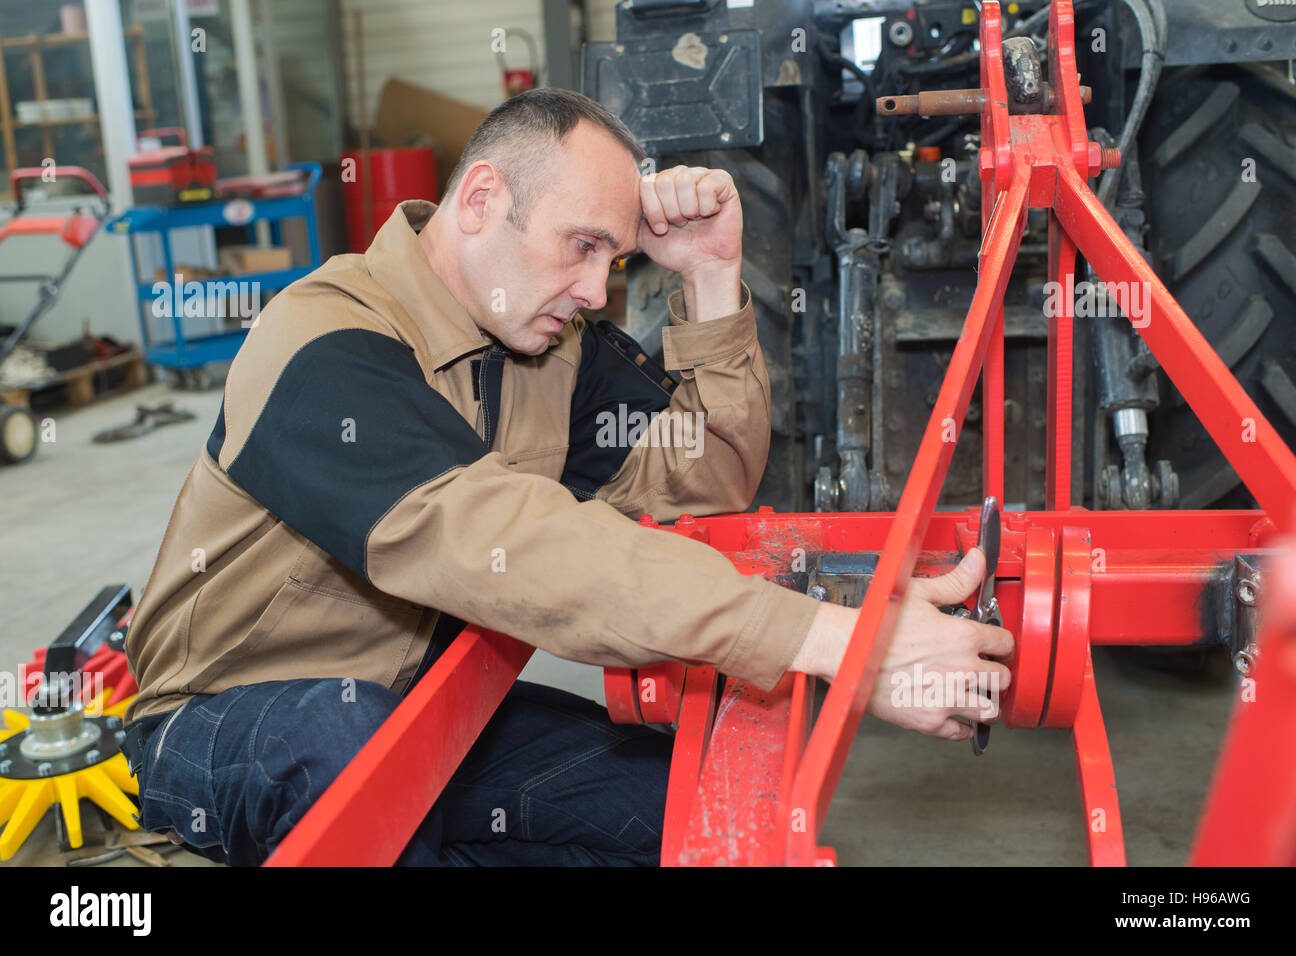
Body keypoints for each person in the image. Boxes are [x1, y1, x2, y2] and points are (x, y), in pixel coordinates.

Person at [120, 89, 1012, 866]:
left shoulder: (546, 348)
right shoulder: (323, 344)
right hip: (225, 723)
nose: (596, 291)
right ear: (480, 199)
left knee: (690, 810)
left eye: (614, 261)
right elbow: (509, 540)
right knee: (341, 741)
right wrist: (840, 643)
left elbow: (706, 487)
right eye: (581, 245)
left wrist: (709, 279)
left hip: (425, 713)